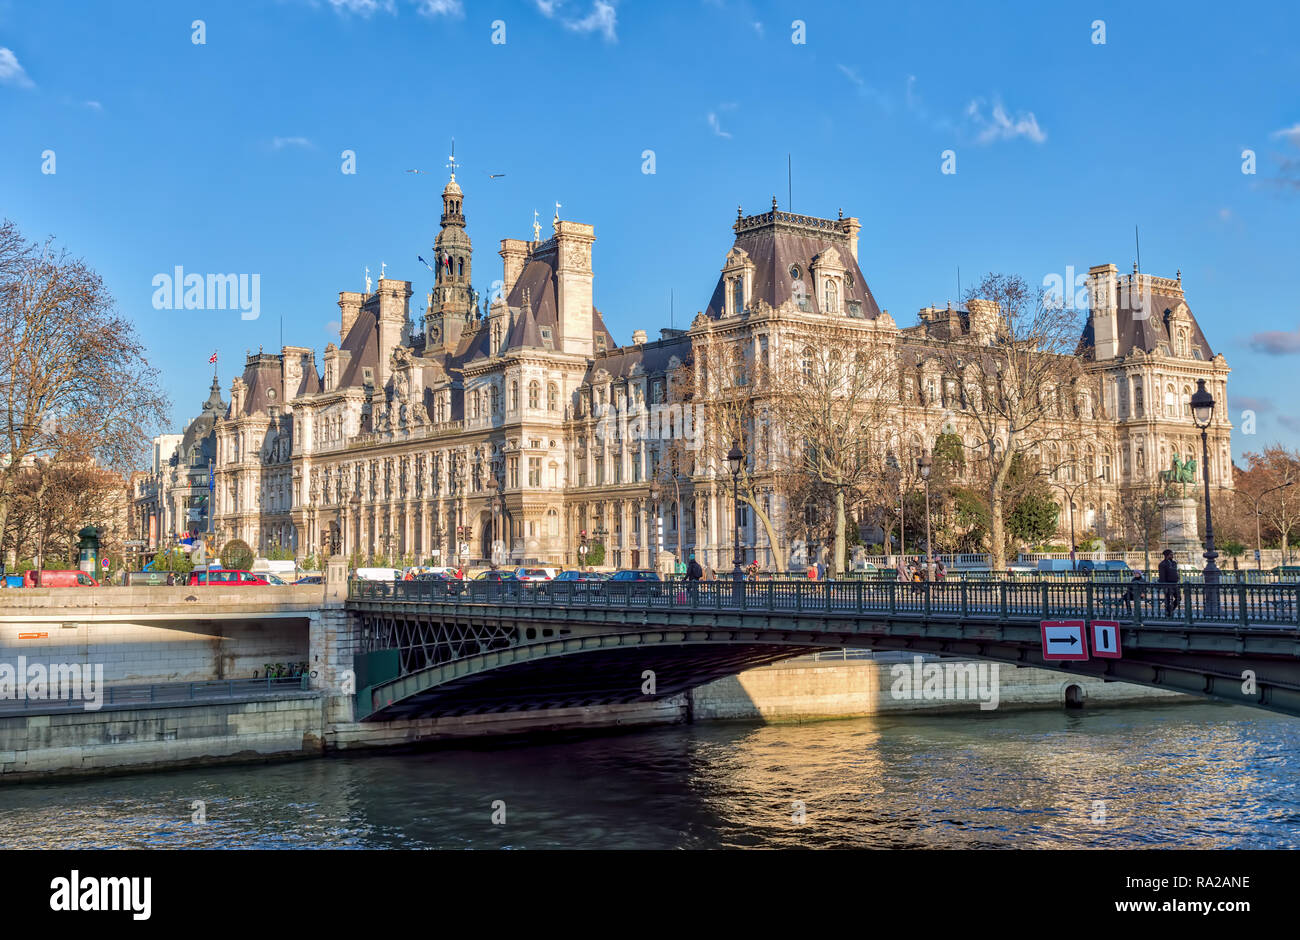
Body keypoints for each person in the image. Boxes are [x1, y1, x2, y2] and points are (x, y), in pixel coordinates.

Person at [1158, 549, 1180, 616]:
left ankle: (1170, 610)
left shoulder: (1174, 563)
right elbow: (1162, 576)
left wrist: (1177, 577)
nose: (1172, 555)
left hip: (1175, 583)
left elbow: (1175, 572)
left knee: (1178, 598)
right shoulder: (1162, 564)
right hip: (1167, 584)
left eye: (1172, 554)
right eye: (1171, 554)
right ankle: (1168, 612)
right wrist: (1164, 586)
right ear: (1166, 555)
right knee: (1167, 599)